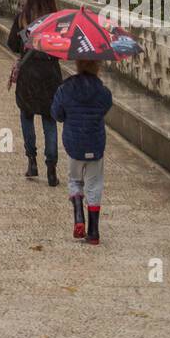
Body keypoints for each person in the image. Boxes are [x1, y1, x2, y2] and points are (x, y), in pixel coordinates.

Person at [51, 60, 113, 244]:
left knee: (75, 180)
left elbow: (57, 114)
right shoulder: (102, 91)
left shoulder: (65, 89)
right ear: (97, 66)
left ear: (78, 65)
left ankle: (79, 216)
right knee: (94, 185)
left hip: (74, 144)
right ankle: (93, 232)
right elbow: (105, 107)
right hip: (95, 144)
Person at [8, 0, 62, 186]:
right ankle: (51, 168)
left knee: (27, 116)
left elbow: (12, 44)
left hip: (28, 75)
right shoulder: (57, 22)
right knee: (50, 120)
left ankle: (31, 161)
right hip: (50, 75)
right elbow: (62, 51)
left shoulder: (23, 19)